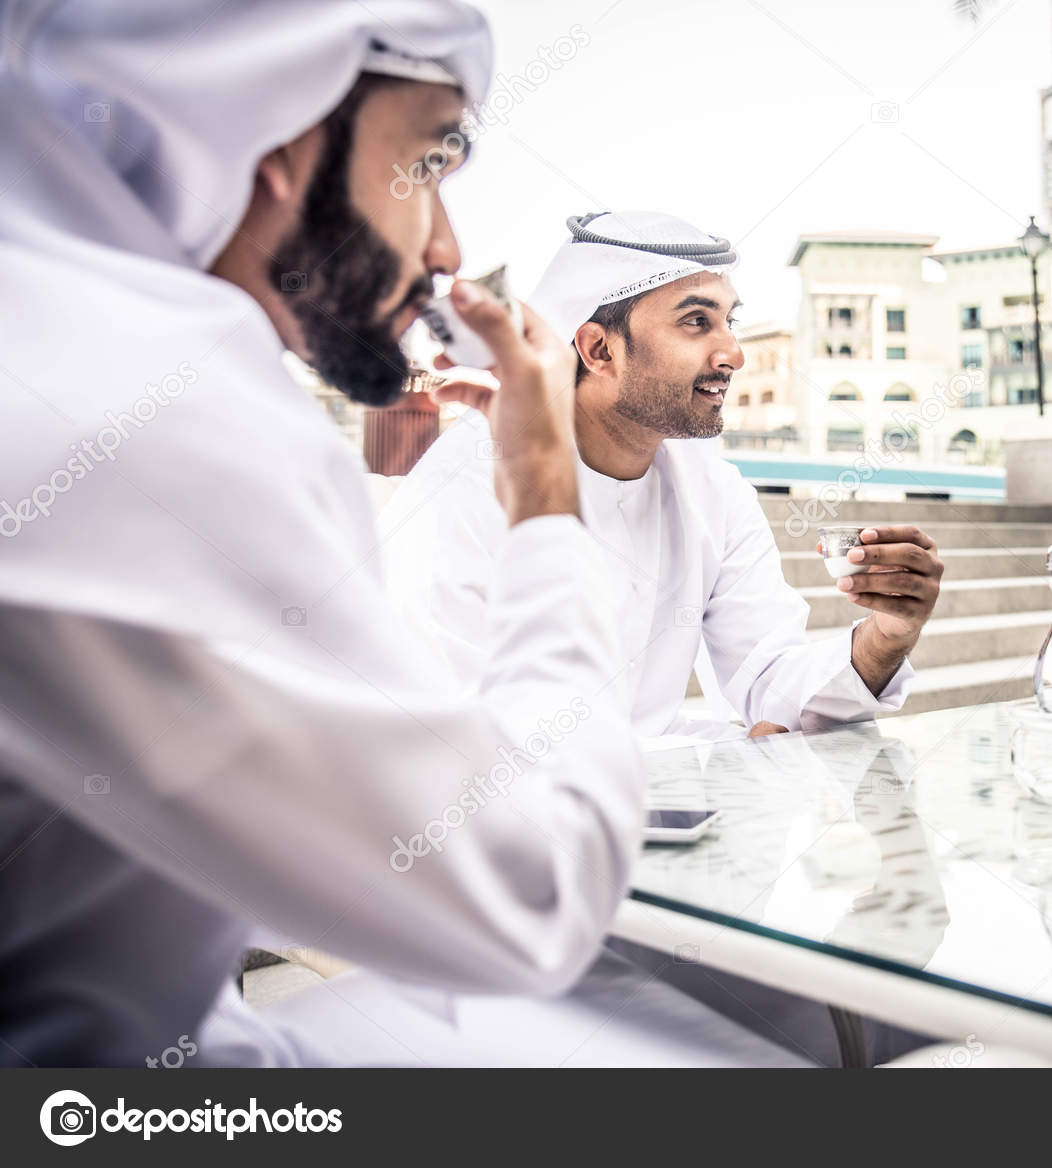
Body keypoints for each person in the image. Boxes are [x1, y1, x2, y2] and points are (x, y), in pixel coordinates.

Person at [0, 0, 802, 1067]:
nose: (444, 247)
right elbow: (534, 891)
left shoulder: (65, 340)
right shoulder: (165, 409)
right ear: (272, 136)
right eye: (425, 164)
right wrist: (543, 493)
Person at [380, 211, 945, 744]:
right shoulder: (464, 485)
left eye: (729, 322)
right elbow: (469, 744)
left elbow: (769, 677)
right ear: (599, 349)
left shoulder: (712, 489)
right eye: (697, 322)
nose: (733, 354)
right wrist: (720, 750)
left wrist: (885, 638)